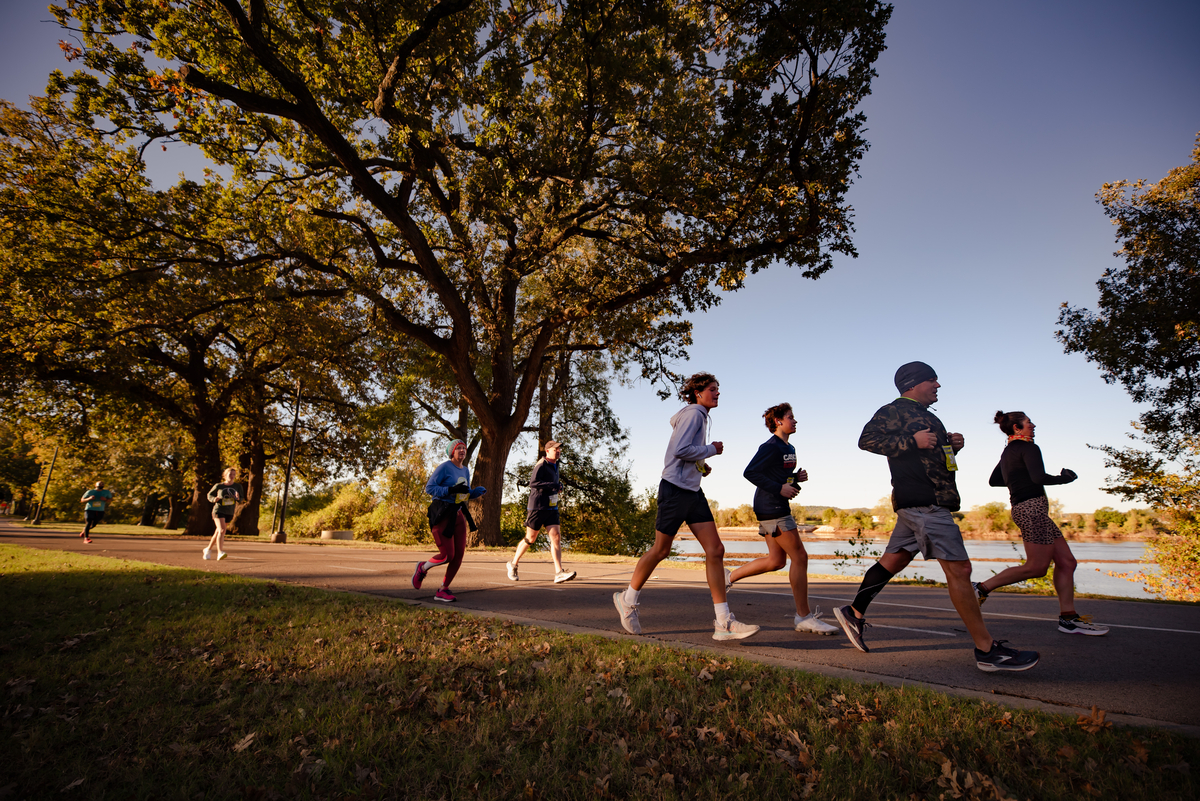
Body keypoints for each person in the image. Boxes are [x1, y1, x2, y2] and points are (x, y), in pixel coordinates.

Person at [832, 362, 1040, 672]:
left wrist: (950, 447)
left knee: (895, 560)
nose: (938, 385)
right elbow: (867, 440)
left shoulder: (929, 417)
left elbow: (936, 461)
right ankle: (987, 651)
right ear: (913, 384)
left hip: (925, 502)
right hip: (923, 503)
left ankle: (853, 612)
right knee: (960, 570)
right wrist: (910, 442)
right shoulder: (894, 410)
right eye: (932, 380)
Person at [613, 372, 760, 641]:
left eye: (718, 389)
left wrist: (701, 465)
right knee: (661, 549)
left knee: (715, 549)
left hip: (692, 491)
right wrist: (711, 449)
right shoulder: (694, 414)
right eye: (713, 389)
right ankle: (627, 599)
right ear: (698, 393)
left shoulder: (698, 416)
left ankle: (723, 621)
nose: (717, 393)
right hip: (675, 490)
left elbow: (687, 451)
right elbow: (680, 450)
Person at [975, 411, 1109, 635]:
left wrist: (1018, 481)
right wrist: (1065, 478)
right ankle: (980, 588)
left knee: (1067, 563)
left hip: (1030, 510)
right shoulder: (1029, 447)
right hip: (1032, 510)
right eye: (1028, 422)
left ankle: (1068, 619)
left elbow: (995, 480)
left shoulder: (1009, 451)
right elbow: (1038, 478)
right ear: (1017, 427)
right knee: (1036, 567)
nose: (1033, 425)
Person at [728, 403, 838, 635]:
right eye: (790, 417)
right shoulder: (769, 446)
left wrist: (795, 479)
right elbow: (750, 472)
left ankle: (729, 576)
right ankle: (804, 616)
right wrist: (780, 488)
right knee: (800, 556)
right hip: (771, 506)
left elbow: (779, 476)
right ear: (778, 421)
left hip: (774, 504)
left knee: (776, 561)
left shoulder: (790, 447)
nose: (795, 421)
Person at [413, 439, 487, 603]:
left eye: (464, 448)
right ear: (452, 452)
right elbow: (429, 488)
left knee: (459, 555)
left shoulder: (465, 470)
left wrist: (474, 493)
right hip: (443, 513)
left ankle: (443, 589)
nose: (462, 450)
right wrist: (450, 489)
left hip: (458, 514)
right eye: (458, 448)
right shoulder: (445, 467)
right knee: (447, 555)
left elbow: (463, 494)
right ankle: (422, 568)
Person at [507, 440, 577, 584]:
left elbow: (552, 483)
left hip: (551, 507)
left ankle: (559, 572)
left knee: (556, 537)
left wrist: (558, 486)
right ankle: (513, 564)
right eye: (555, 449)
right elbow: (533, 483)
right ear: (547, 451)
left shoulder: (555, 464)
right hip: (537, 507)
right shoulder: (541, 464)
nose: (558, 451)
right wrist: (552, 485)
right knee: (530, 539)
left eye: (559, 449)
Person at [204, 468, 243, 560]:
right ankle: (220, 552)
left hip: (229, 511)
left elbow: (241, 499)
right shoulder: (219, 486)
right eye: (230, 474)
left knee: (218, 531)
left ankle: (208, 549)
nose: (232, 476)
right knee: (222, 530)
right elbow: (209, 495)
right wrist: (214, 499)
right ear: (225, 475)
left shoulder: (238, 486)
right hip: (218, 510)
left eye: (234, 474)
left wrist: (238, 498)